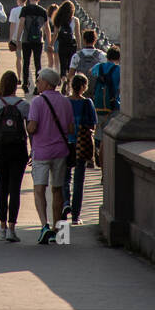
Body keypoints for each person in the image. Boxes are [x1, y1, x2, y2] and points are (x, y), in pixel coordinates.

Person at [27, 67, 75, 243]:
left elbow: (32, 127)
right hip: (60, 151)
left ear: (46, 83)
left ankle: (44, 225)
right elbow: (70, 129)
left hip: (41, 152)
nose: (37, 83)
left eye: (39, 80)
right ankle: (58, 229)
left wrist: (29, 128)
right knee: (57, 189)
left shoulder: (37, 102)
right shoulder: (65, 101)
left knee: (39, 189)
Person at [0, 70, 31, 241]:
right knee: (15, 188)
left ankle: (2, 226)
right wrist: (33, 149)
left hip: (0, 149)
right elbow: (30, 131)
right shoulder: (24, 105)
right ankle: (12, 228)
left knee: (2, 189)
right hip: (19, 149)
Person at [61, 73, 97, 225]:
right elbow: (93, 124)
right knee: (78, 180)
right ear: (83, 87)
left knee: (64, 177)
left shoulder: (64, 102)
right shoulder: (87, 103)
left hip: (65, 143)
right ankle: (76, 216)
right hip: (81, 144)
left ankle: (65, 203)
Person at [90, 45, 120, 166]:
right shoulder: (119, 69)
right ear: (118, 58)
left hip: (98, 106)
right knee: (108, 138)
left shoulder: (98, 67)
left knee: (97, 133)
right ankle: (105, 168)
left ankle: (95, 154)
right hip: (113, 107)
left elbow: (91, 78)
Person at [15, 0, 49, 93]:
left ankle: (25, 83)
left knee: (26, 62)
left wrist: (17, 38)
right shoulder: (43, 11)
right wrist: (50, 41)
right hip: (38, 40)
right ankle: (38, 86)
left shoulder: (25, 9)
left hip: (26, 40)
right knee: (38, 63)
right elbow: (47, 27)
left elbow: (21, 24)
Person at [51, 1, 79, 81]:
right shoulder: (75, 20)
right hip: (72, 44)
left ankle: (63, 78)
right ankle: (69, 83)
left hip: (62, 44)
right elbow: (77, 34)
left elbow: (55, 34)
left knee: (63, 64)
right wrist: (79, 46)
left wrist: (51, 44)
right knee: (71, 65)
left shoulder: (58, 19)